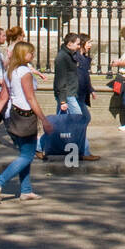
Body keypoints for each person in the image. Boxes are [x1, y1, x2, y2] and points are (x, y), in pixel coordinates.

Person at [0, 42, 51, 202]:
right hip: (25, 116)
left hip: (11, 116)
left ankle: (26, 190)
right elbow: (30, 98)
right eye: (30, 53)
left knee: (24, 153)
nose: (33, 55)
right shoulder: (24, 72)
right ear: (23, 54)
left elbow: (3, 98)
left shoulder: (10, 71)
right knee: (28, 155)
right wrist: (43, 119)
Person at [45, 32, 99, 161]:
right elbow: (60, 80)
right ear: (69, 44)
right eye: (77, 43)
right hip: (68, 95)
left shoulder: (70, 56)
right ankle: (84, 151)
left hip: (71, 94)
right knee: (80, 120)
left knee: (60, 124)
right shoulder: (62, 57)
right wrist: (63, 100)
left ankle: (39, 146)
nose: (80, 45)